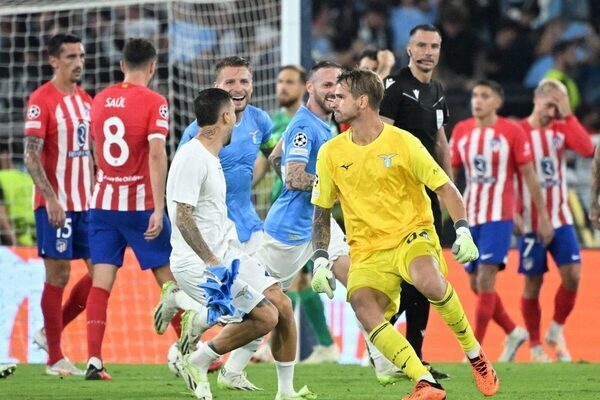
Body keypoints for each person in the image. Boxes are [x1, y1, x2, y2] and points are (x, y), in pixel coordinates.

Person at [311, 68, 498, 399]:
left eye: (341, 96)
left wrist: (463, 230)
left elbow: (446, 188)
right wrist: (321, 259)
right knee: (361, 304)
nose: (333, 101)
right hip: (368, 250)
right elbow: (321, 212)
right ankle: (424, 380)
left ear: (363, 101)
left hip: (413, 234)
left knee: (429, 283)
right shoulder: (331, 152)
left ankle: (475, 356)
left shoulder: (403, 143)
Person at [166, 88, 314, 400]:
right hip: (200, 262)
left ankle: (285, 392)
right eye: (234, 115)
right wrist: (211, 261)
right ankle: (198, 359)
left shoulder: (211, 155)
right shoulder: (192, 157)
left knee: (283, 306)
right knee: (265, 317)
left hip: (230, 254)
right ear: (225, 116)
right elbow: (183, 217)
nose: (237, 121)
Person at [217, 61, 346, 391]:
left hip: (311, 219)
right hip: (287, 227)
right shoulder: (296, 124)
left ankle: (384, 354)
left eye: (289, 81)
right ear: (311, 88)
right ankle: (206, 352)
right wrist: (329, 187)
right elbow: (286, 171)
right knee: (267, 304)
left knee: (350, 277)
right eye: (281, 81)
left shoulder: (320, 125)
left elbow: (275, 158)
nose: (282, 87)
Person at [84, 38, 194, 380]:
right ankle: (192, 353)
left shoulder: (99, 99)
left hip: (102, 204)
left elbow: (95, 149)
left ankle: (93, 360)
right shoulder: (155, 102)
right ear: (152, 66)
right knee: (168, 281)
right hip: (139, 206)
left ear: (121, 66)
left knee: (100, 283)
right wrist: (158, 206)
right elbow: (158, 153)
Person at [450, 80, 554, 361]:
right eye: (474, 95)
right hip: (470, 215)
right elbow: (451, 172)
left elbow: (529, 176)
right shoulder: (461, 131)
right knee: (475, 284)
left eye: (485, 96)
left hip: (500, 214)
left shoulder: (512, 131)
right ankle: (513, 331)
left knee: (485, 279)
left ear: (497, 102)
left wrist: (540, 216)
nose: (477, 100)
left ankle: (474, 352)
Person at [377, 24, 450, 379]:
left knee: (428, 277)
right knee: (410, 278)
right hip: (398, 199)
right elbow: (377, 141)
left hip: (427, 197)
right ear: (408, 49)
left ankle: (415, 357)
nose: (428, 51)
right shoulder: (394, 88)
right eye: (421, 45)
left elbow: (440, 141)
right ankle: (380, 331)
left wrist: (448, 190)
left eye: (434, 46)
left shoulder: (437, 90)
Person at [24, 33, 94, 377]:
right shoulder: (42, 100)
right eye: (70, 56)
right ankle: (54, 358)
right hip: (57, 206)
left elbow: (92, 154)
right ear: (54, 60)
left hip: (88, 204)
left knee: (101, 275)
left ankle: (48, 333)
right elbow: (31, 155)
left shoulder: (85, 100)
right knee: (59, 274)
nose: (78, 62)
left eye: (80, 55)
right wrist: (50, 198)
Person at [517, 79, 594, 361]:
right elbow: (511, 174)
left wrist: (568, 114)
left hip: (561, 218)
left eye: (559, 104)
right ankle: (536, 345)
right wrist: (514, 211)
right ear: (537, 99)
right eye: (551, 102)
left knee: (573, 275)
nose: (554, 109)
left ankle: (556, 329)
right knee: (532, 284)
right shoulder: (519, 131)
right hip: (530, 222)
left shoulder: (562, 129)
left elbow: (587, 149)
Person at [177, 56, 272, 254]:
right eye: (230, 82)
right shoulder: (197, 133)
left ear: (252, 85)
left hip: (250, 226)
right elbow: (180, 187)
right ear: (216, 87)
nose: (238, 88)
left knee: (270, 283)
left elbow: (272, 155)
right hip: (214, 232)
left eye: (244, 81)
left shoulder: (260, 121)